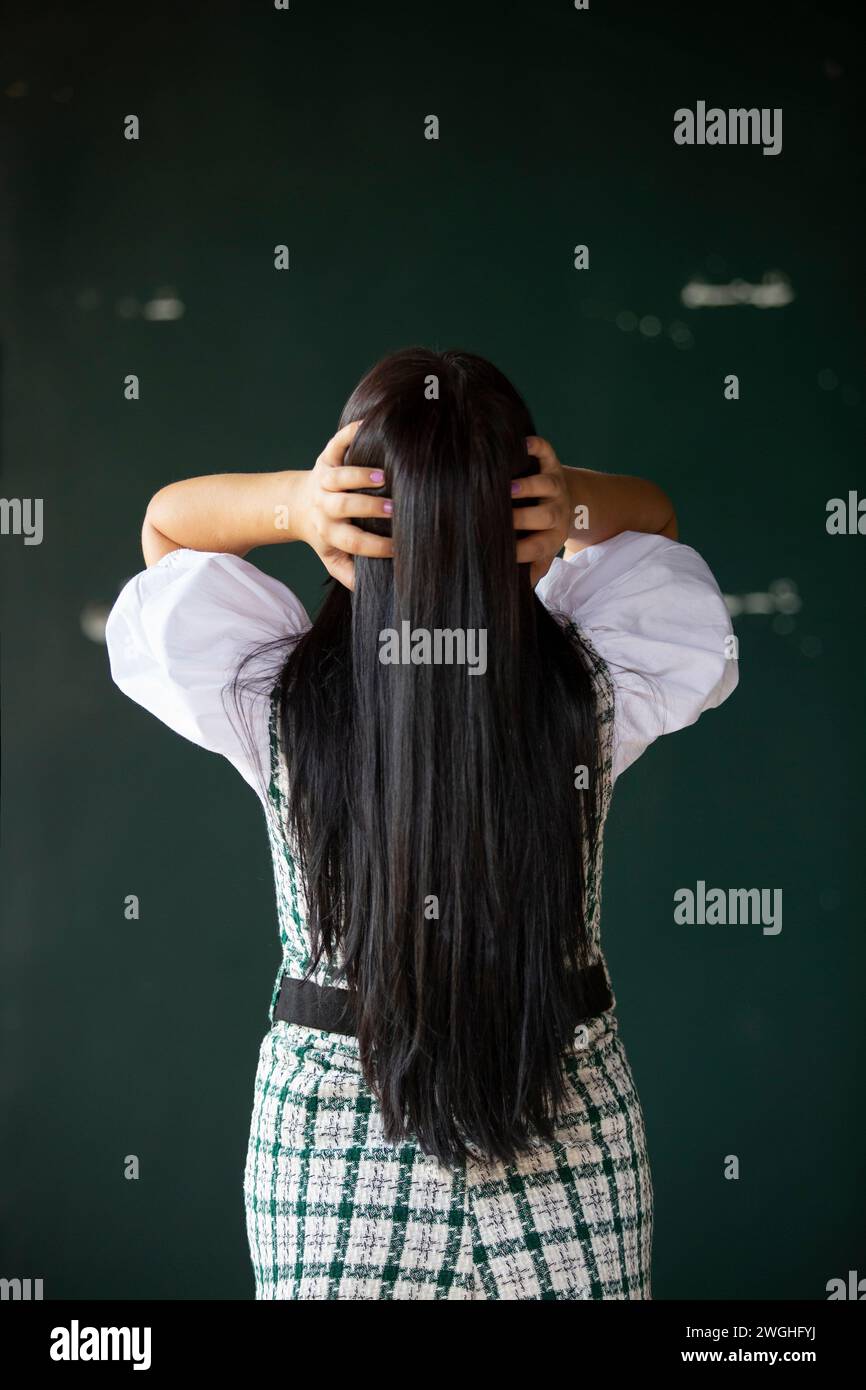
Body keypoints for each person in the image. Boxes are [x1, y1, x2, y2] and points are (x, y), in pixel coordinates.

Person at [105, 347, 738, 1300]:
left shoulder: (270, 688)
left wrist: (295, 503)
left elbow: (167, 529)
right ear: (525, 510)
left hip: (329, 1158)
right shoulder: (596, 682)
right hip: (565, 1119)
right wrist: (569, 505)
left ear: (349, 512)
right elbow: (653, 524)